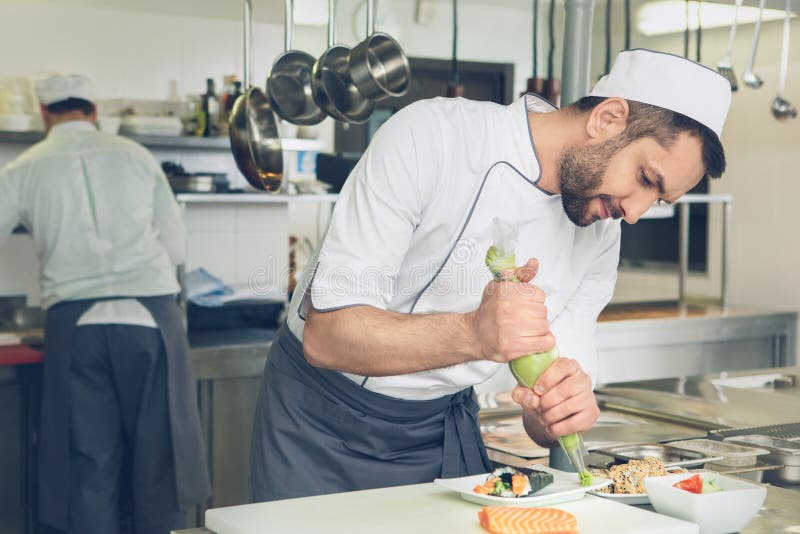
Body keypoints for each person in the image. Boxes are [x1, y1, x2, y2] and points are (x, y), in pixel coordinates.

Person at [249, 49, 732, 501]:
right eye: (645, 179)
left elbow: (544, 410)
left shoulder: (600, 233)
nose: (635, 213)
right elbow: (329, 337)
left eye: (658, 199)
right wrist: (473, 334)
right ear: (607, 118)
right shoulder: (432, 136)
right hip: (318, 424)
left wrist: (559, 411)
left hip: (438, 432)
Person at [0, 74, 211, 534]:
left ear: (44, 115)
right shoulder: (136, 155)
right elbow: (176, 249)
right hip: (150, 321)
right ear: (93, 110)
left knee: (88, 463)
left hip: (76, 327)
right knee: (159, 461)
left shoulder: (23, 168)